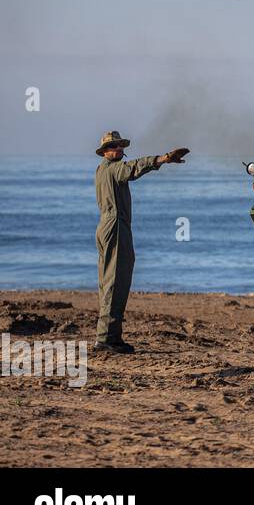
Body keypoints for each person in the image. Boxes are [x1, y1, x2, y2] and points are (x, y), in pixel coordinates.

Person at [93, 132, 189, 353]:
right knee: (115, 282)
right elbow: (134, 168)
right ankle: (106, 339)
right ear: (105, 151)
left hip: (108, 225)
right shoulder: (113, 168)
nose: (117, 148)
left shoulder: (102, 169)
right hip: (115, 225)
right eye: (112, 146)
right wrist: (162, 159)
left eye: (119, 145)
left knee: (109, 282)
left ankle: (110, 336)